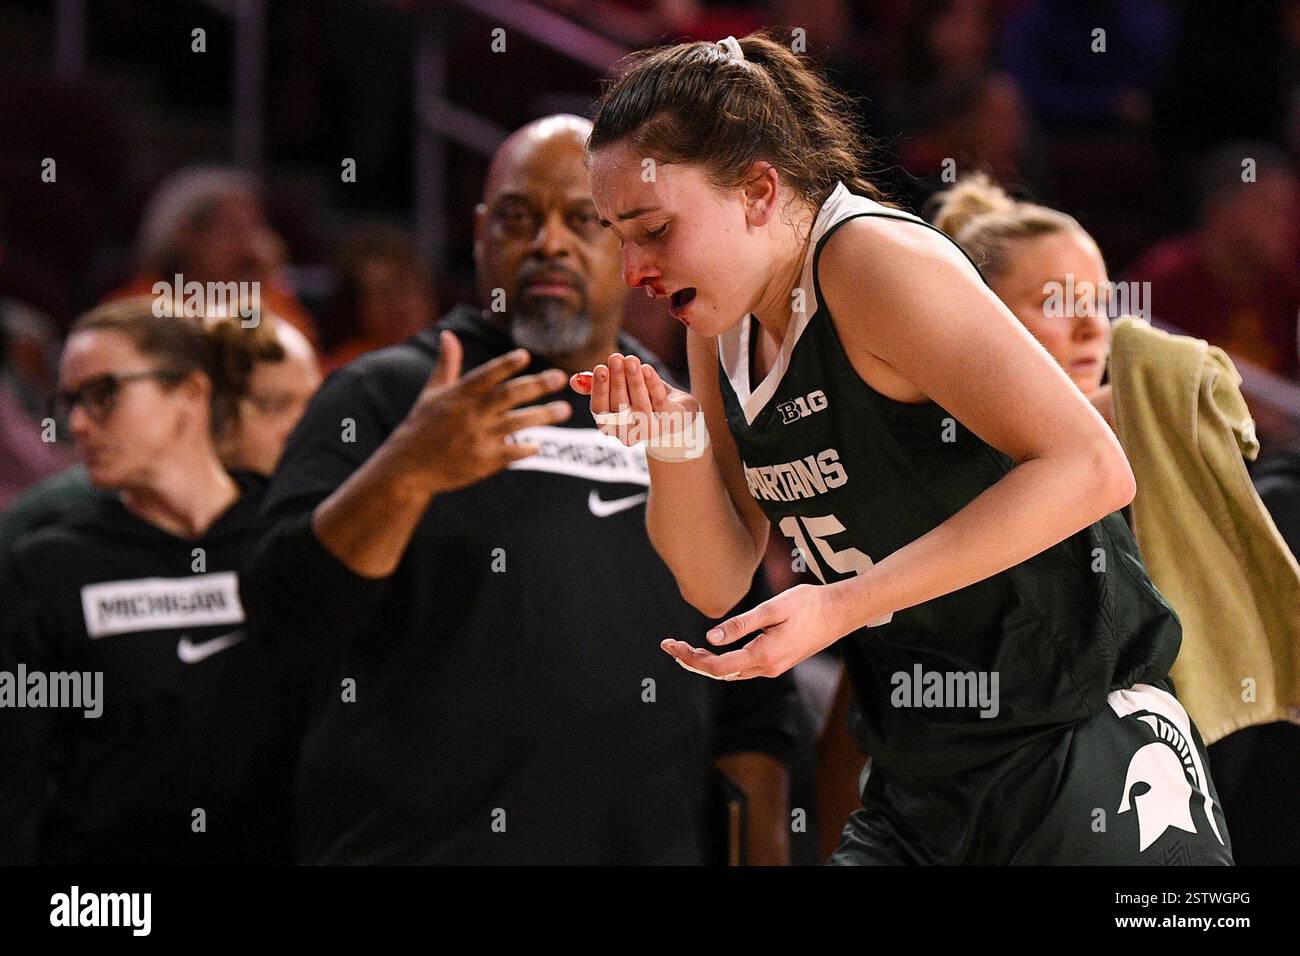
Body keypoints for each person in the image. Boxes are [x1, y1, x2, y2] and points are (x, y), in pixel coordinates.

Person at [575, 32, 1232, 864]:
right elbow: (718, 580)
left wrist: (845, 603)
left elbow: (1091, 468)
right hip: (923, 771)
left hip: (1076, 739)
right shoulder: (719, 315)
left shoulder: (870, 260)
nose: (633, 268)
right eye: (619, 236)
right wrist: (672, 449)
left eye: (654, 229)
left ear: (757, 190)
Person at [242, 115, 800, 865]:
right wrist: (405, 474)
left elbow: (752, 700)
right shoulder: (384, 397)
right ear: (479, 233)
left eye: (582, 220)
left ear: (634, 245)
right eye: (517, 217)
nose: (548, 244)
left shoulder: (683, 415)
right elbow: (283, 616)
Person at [924, 173, 1300, 865]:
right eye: (1054, 302)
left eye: (1100, 301)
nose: (1096, 326)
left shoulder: (1166, 451)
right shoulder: (929, 480)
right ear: (975, 319)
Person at [0, 299, 303, 864]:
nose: (79, 423)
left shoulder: (288, 542)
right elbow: (14, 781)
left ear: (189, 392)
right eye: (70, 402)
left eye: (103, 392)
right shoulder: (49, 567)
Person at [0, 308, 319, 584]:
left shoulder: (303, 531)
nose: (76, 424)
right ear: (203, 399)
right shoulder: (51, 531)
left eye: (315, 403)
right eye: (274, 405)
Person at [105, 165, 319, 347]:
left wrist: (267, 281)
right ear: (185, 236)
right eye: (230, 229)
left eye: (254, 228)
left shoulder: (265, 295)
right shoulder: (137, 303)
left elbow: (296, 358)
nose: (249, 245)